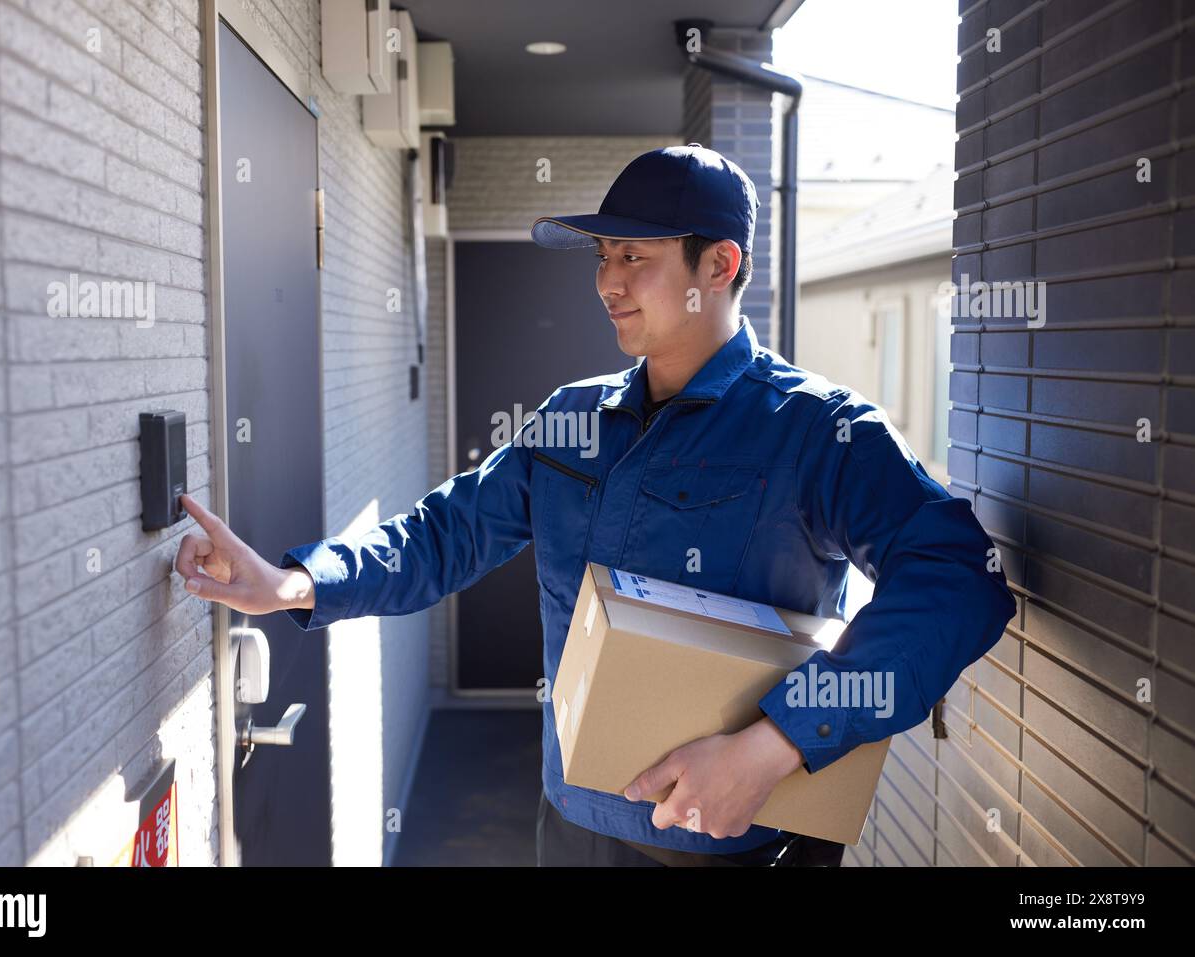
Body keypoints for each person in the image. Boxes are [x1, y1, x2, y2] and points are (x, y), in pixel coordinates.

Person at [174, 144, 1017, 867]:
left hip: (730, 843)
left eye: (633, 259)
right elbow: (449, 531)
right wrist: (292, 583)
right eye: (601, 258)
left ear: (717, 266)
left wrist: (778, 742)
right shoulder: (576, 416)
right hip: (570, 825)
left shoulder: (816, 431)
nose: (607, 284)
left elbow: (960, 578)